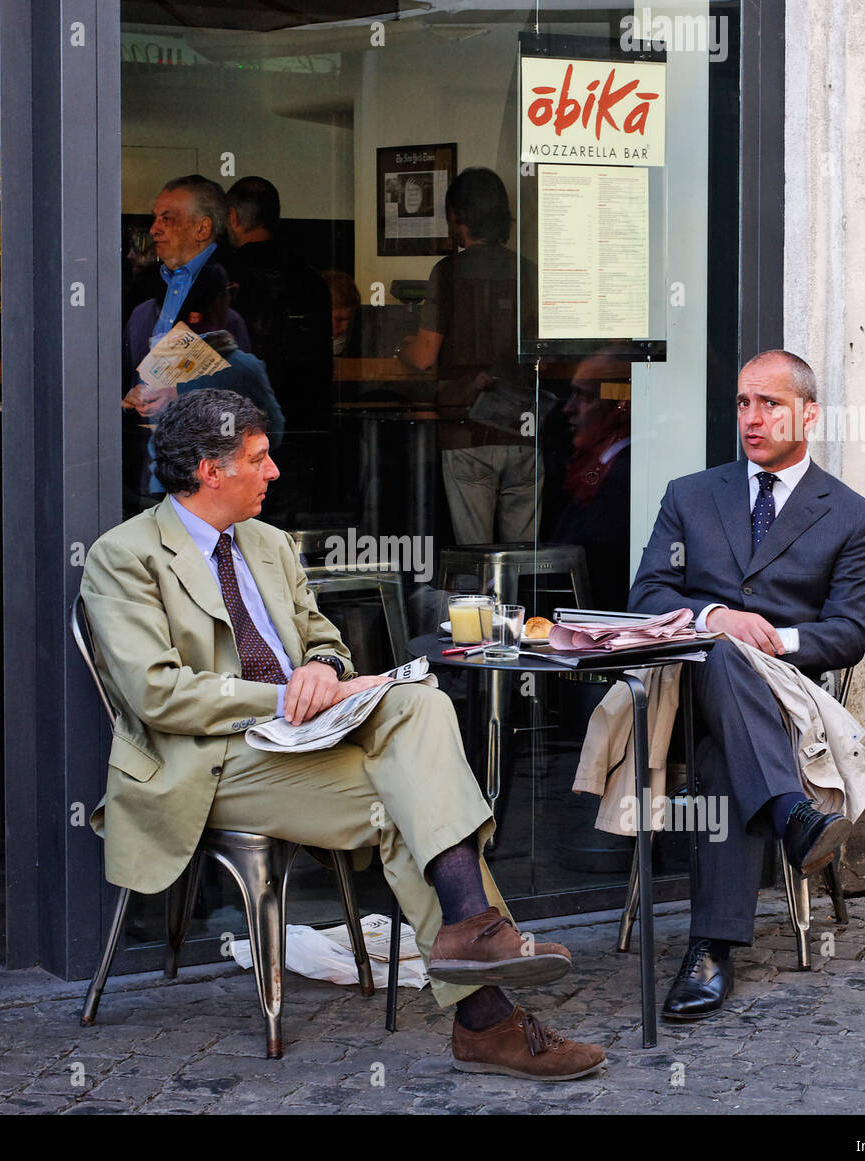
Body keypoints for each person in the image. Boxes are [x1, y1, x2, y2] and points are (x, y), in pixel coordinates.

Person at [80, 388, 608, 1080]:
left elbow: (322, 638)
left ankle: (474, 941)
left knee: (419, 702)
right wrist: (285, 694)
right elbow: (156, 695)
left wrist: (327, 668)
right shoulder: (125, 557)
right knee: (405, 804)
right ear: (211, 471)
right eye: (259, 459)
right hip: (208, 761)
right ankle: (485, 1008)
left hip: (305, 742)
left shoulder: (267, 544)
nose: (274, 473)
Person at [627, 350, 865, 1021]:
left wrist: (768, 639)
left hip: (787, 699)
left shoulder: (852, 516)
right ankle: (792, 816)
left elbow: (848, 632)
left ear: (809, 413)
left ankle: (709, 950)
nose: (752, 417)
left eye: (769, 403)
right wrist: (717, 618)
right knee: (717, 656)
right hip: (683, 696)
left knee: (721, 748)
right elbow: (647, 592)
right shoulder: (691, 494)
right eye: (743, 402)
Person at [399, 167, 539, 546]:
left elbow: (426, 355)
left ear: (456, 216)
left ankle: (487, 607)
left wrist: (401, 348)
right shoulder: (527, 271)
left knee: (478, 559)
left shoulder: (448, 272)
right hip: (524, 429)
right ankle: (523, 608)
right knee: (520, 560)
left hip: (465, 430)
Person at [124, 259, 286, 501]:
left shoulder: (156, 363)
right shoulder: (243, 368)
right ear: (220, 301)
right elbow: (275, 429)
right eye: (228, 293)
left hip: (160, 488)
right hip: (225, 491)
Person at [225, 176, 334, 519]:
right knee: (293, 524)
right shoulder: (310, 277)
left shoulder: (227, 276)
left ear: (232, 218)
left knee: (243, 526)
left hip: (241, 425)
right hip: (307, 420)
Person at [122, 175, 251, 407]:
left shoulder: (238, 285)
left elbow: (250, 387)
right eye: (155, 218)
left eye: (166, 219)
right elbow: (125, 374)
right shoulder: (144, 290)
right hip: (145, 438)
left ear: (202, 228)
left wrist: (180, 394)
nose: (154, 230)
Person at [548, 359, 633, 611]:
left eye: (584, 396)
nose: (568, 408)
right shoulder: (588, 464)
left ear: (620, 405)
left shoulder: (626, 475)